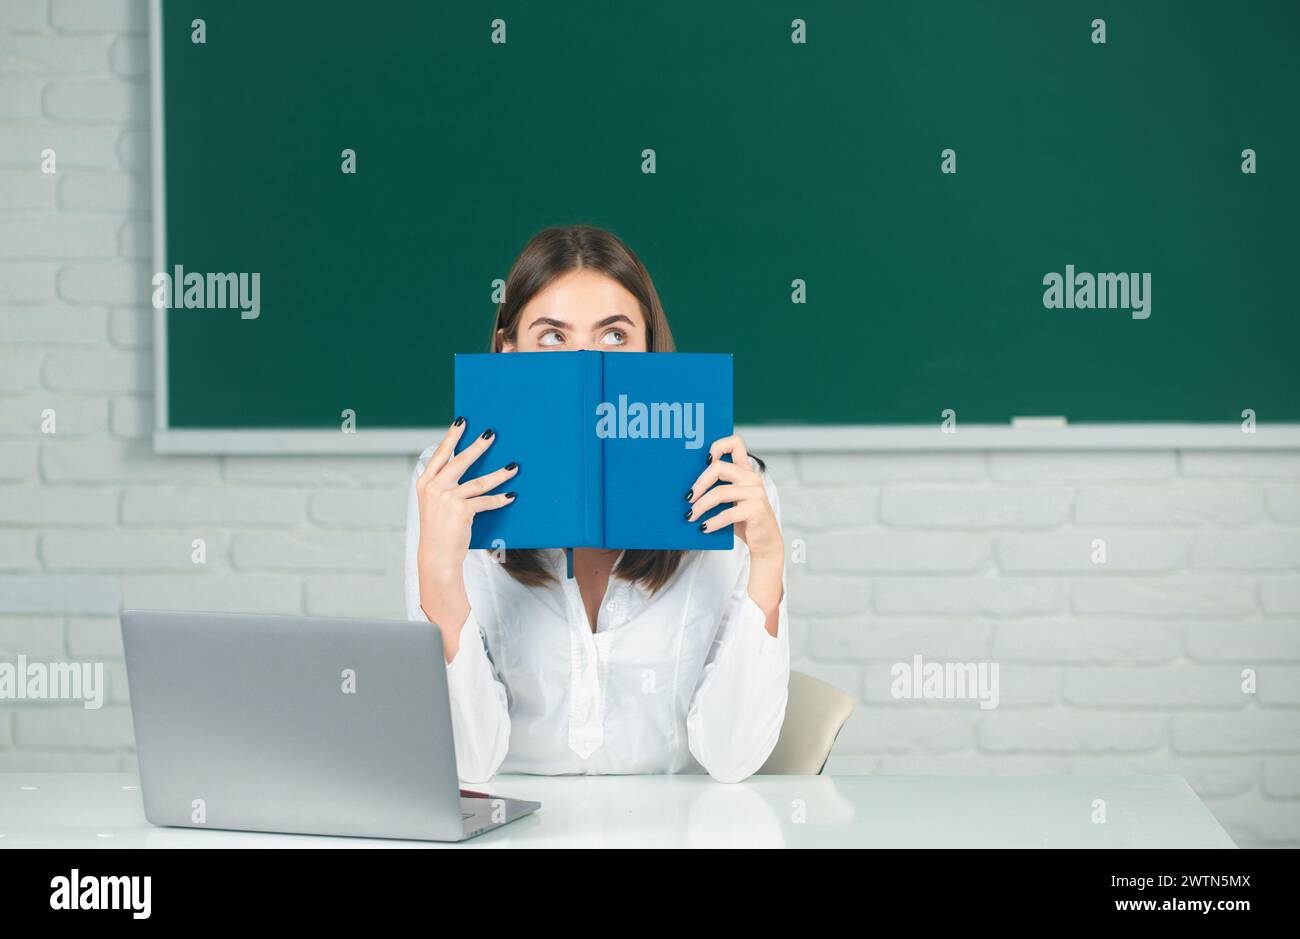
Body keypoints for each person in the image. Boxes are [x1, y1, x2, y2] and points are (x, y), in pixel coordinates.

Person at [404, 224, 789, 783]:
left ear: (649, 349)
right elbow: (468, 763)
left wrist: (769, 561)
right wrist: (439, 571)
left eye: (613, 335)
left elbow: (734, 760)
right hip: (516, 817)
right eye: (552, 337)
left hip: (677, 818)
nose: (584, 361)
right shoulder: (445, 488)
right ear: (507, 348)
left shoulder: (730, 488)